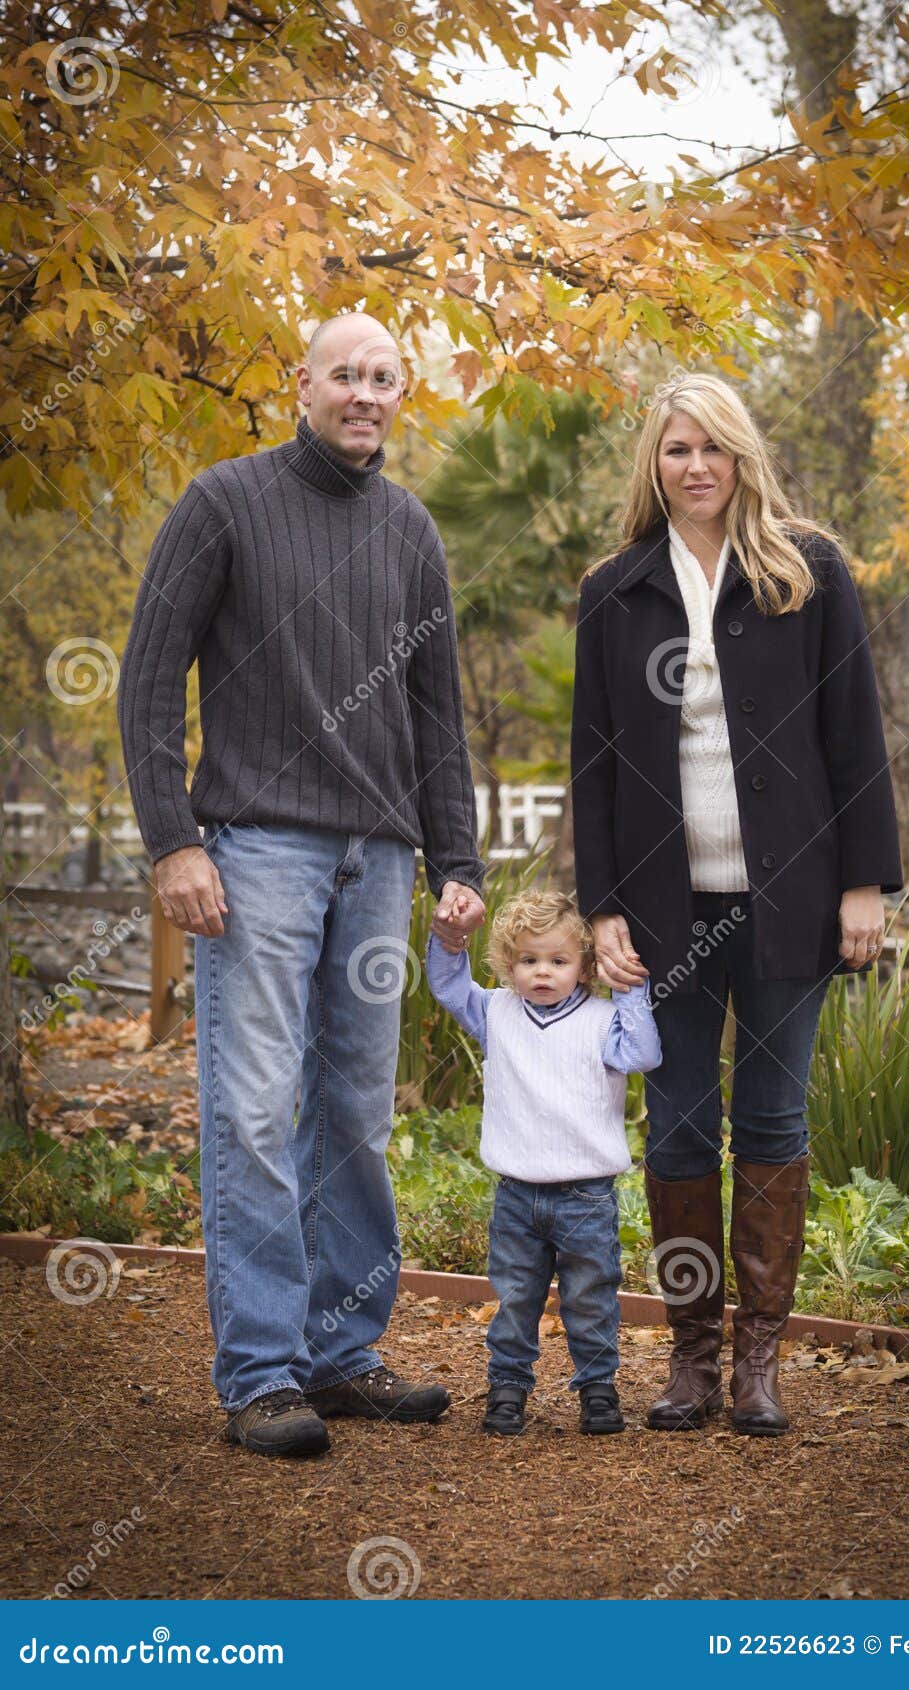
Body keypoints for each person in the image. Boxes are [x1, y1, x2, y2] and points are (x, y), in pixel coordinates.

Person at [118, 312, 487, 1458]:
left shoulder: (410, 528)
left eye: (382, 377)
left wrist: (457, 860)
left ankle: (340, 1353)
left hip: (378, 860)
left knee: (356, 1115)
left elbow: (436, 713)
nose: (363, 393)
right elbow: (146, 679)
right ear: (302, 383)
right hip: (256, 853)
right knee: (251, 1109)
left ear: (398, 393)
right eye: (344, 375)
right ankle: (261, 1373)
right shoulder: (223, 502)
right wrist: (173, 840)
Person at [570, 373, 903, 1437]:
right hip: (660, 909)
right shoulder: (615, 589)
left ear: (741, 456)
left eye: (712, 446)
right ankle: (691, 1355)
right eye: (676, 449)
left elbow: (853, 728)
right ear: (654, 464)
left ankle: (759, 1358)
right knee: (676, 1126)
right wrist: (601, 908)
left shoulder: (806, 571)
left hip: (788, 897)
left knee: (770, 1117)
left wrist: (862, 880)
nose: (695, 465)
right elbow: (592, 762)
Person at [426, 889, 661, 1435]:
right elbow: (448, 986)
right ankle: (507, 1389)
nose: (542, 972)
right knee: (514, 1300)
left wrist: (629, 988)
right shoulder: (496, 1013)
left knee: (590, 1299)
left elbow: (644, 1054)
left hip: (586, 1197)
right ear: (509, 965)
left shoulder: (603, 1020)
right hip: (516, 1195)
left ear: (585, 965)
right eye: (528, 960)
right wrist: (449, 939)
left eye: (558, 960)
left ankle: (597, 1390)